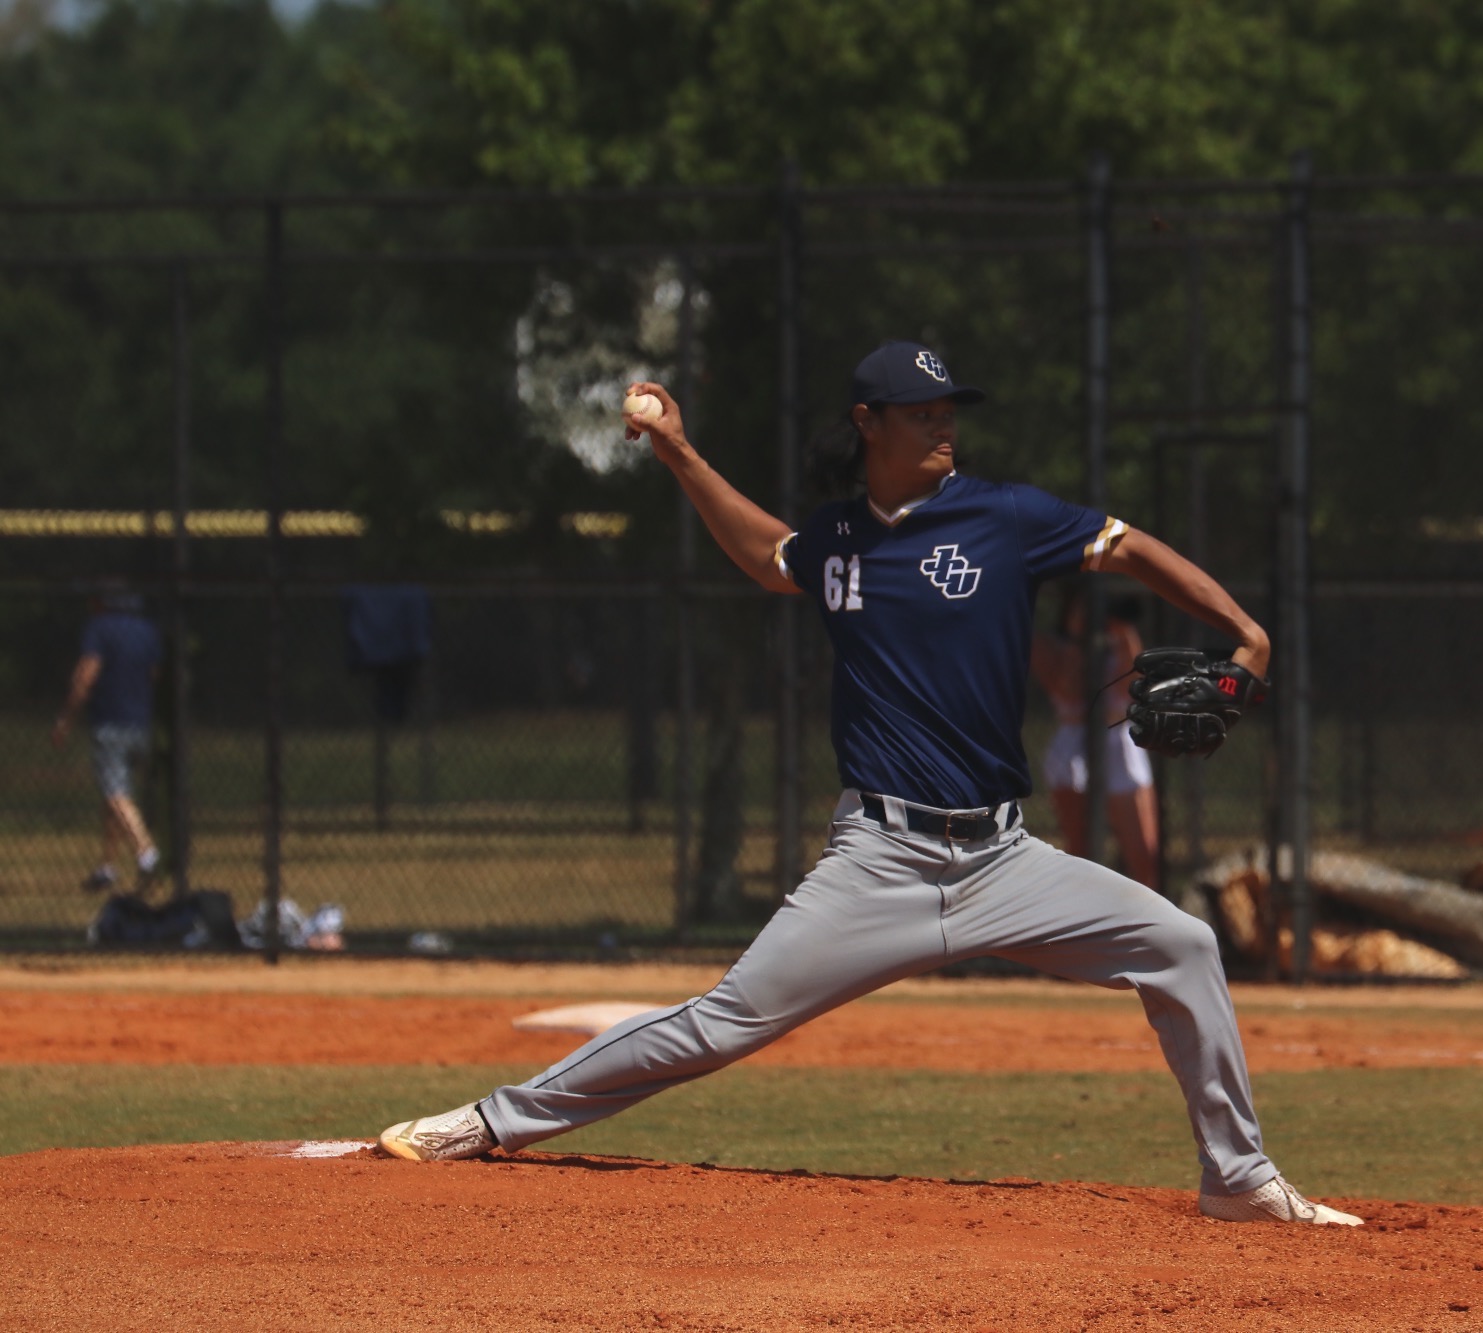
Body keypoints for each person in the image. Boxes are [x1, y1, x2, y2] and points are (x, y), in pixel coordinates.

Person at [379, 340, 1361, 1227]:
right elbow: (768, 554)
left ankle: (1235, 1176)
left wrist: (1248, 633)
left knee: (1181, 946)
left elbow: (1129, 545)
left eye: (948, 409)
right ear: (868, 425)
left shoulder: (1005, 516)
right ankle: (487, 1121)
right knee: (722, 1021)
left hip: (1004, 860)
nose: (943, 423)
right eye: (922, 410)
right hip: (878, 860)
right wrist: (677, 453)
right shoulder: (841, 539)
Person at [1032, 586, 1159, 887]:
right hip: (1074, 748)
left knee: (1145, 852)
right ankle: (1084, 925)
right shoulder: (1049, 646)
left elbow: (1133, 684)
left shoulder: (1117, 641)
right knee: (1083, 851)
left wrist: (1122, 628)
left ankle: (1149, 926)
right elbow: (1068, 688)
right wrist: (1080, 638)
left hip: (1120, 743)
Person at [51, 586, 164, 892]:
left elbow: (87, 673)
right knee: (115, 796)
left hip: (109, 721)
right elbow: (154, 673)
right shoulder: (147, 630)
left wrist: (66, 717)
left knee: (115, 793)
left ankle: (147, 853)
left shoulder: (99, 627)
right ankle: (108, 865)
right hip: (140, 722)